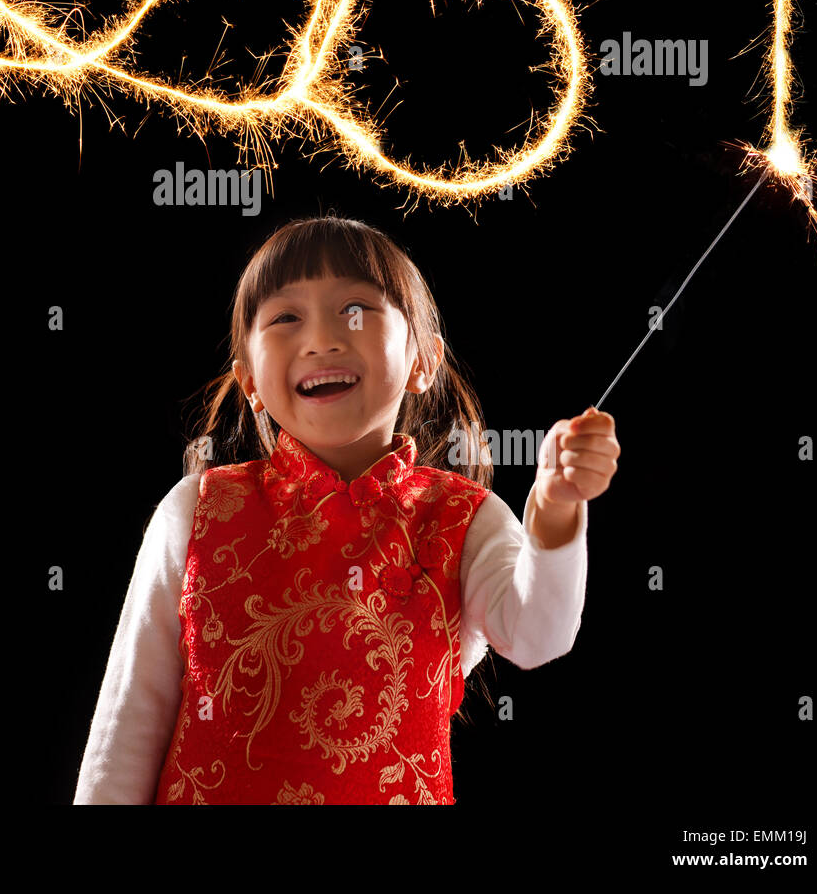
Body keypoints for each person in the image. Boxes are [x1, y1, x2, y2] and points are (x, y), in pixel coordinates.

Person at [74, 214, 619, 804]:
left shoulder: (463, 517)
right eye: (286, 317)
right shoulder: (196, 508)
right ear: (248, 379)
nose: (321, 340)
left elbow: (539, 634)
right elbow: (128, 722)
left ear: (422, 361)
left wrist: (555, 510)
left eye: (356, 310)